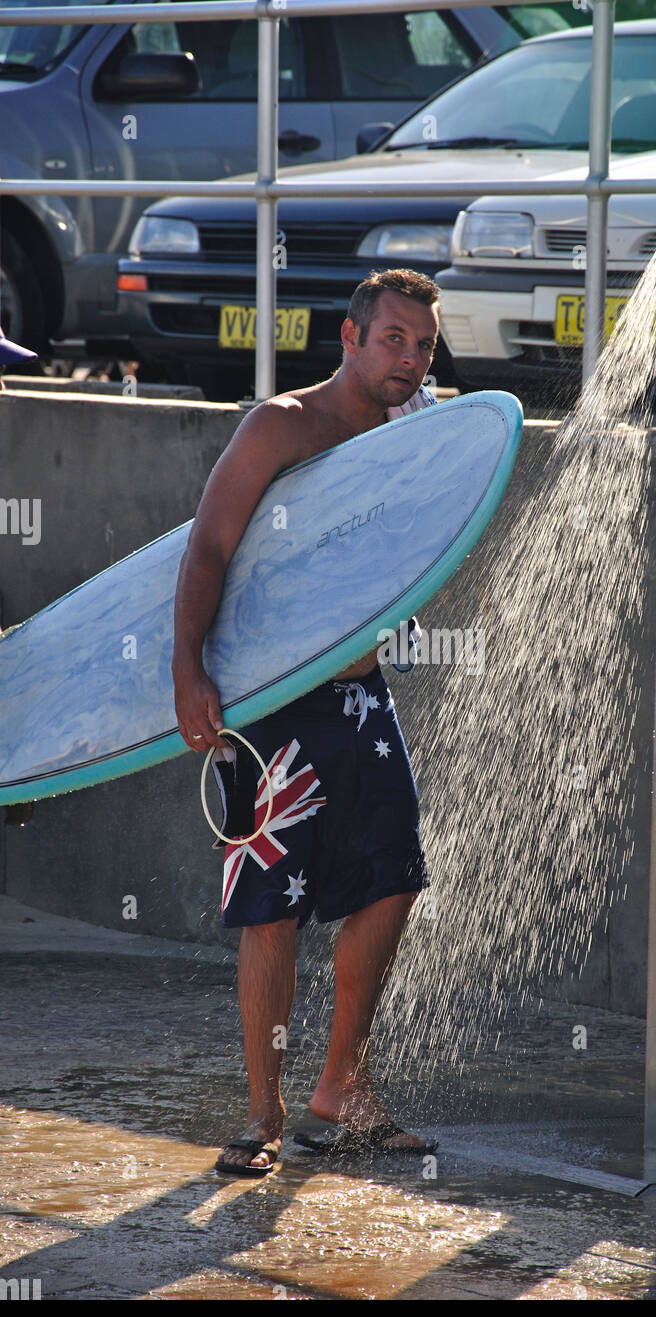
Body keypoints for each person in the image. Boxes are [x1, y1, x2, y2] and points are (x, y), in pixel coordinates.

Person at [172, 269, 440, 1175]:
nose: (409, 358)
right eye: (394, 339)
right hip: (269, 696)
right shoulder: (282, 425)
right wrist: (188, 668)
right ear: (351, 339)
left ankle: (341, 1087)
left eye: (424, 345)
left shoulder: (412, 438)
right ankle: (262, 1116)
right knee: (270, 909)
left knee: (393, 878)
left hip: (360, 695)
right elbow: (208, 543)